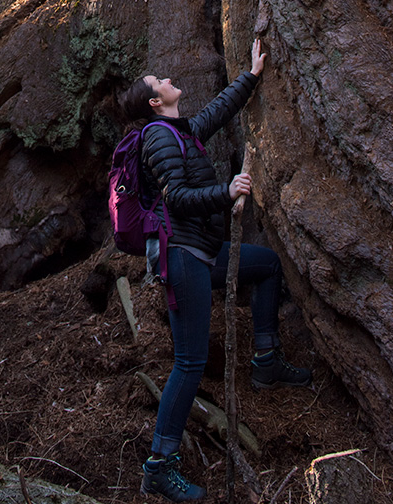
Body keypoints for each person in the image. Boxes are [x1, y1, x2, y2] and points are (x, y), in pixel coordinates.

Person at [117, 40, 312, 503]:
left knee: (265, 266)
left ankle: (265, 363)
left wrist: (252, 74)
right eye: (158, 81)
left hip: (205, 251)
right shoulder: (158, 138)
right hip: (184, 257)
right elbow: (178, 199)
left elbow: (218, 112)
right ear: (154, 101)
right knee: (189, 362)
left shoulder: (180, 131)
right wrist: (227, 192)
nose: (166, 79)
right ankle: (159, 467)